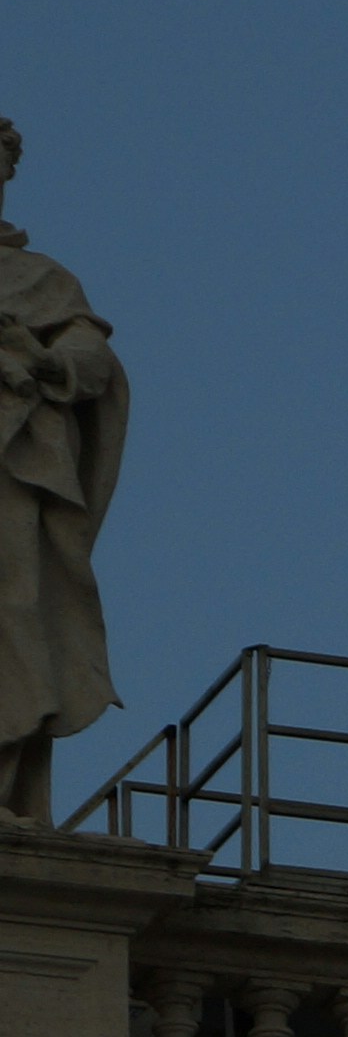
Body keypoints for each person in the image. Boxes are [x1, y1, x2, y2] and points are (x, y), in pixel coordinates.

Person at [0, 118, 129, 830]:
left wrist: (44, 361)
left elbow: (91, 359)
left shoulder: (40, 280)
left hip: (12, 471)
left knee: (12, 616)